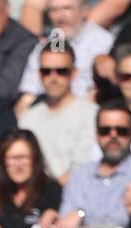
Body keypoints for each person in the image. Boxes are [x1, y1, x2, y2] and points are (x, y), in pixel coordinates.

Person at [53, 103, 131, 228]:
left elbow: (123, 220)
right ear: (97, 135)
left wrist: (82, 214)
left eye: (121, 131)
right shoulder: (79, 175)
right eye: (105, 130)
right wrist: (80, 214)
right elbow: (66, 220)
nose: (113, 135)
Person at [18, 39, 99, 182]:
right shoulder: (28, 118)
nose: (53, 78)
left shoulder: (92, 114)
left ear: (74, 73)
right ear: (38, 74)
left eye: (61, 71)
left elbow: (84, 168)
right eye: (46, 71)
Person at [16, 0, 113, 116]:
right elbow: (28, 96)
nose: (60, 16)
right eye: (54, 10)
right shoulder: (44, 46)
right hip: (49, 113)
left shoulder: (104, 42)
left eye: (67, 9)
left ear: (84, 11)